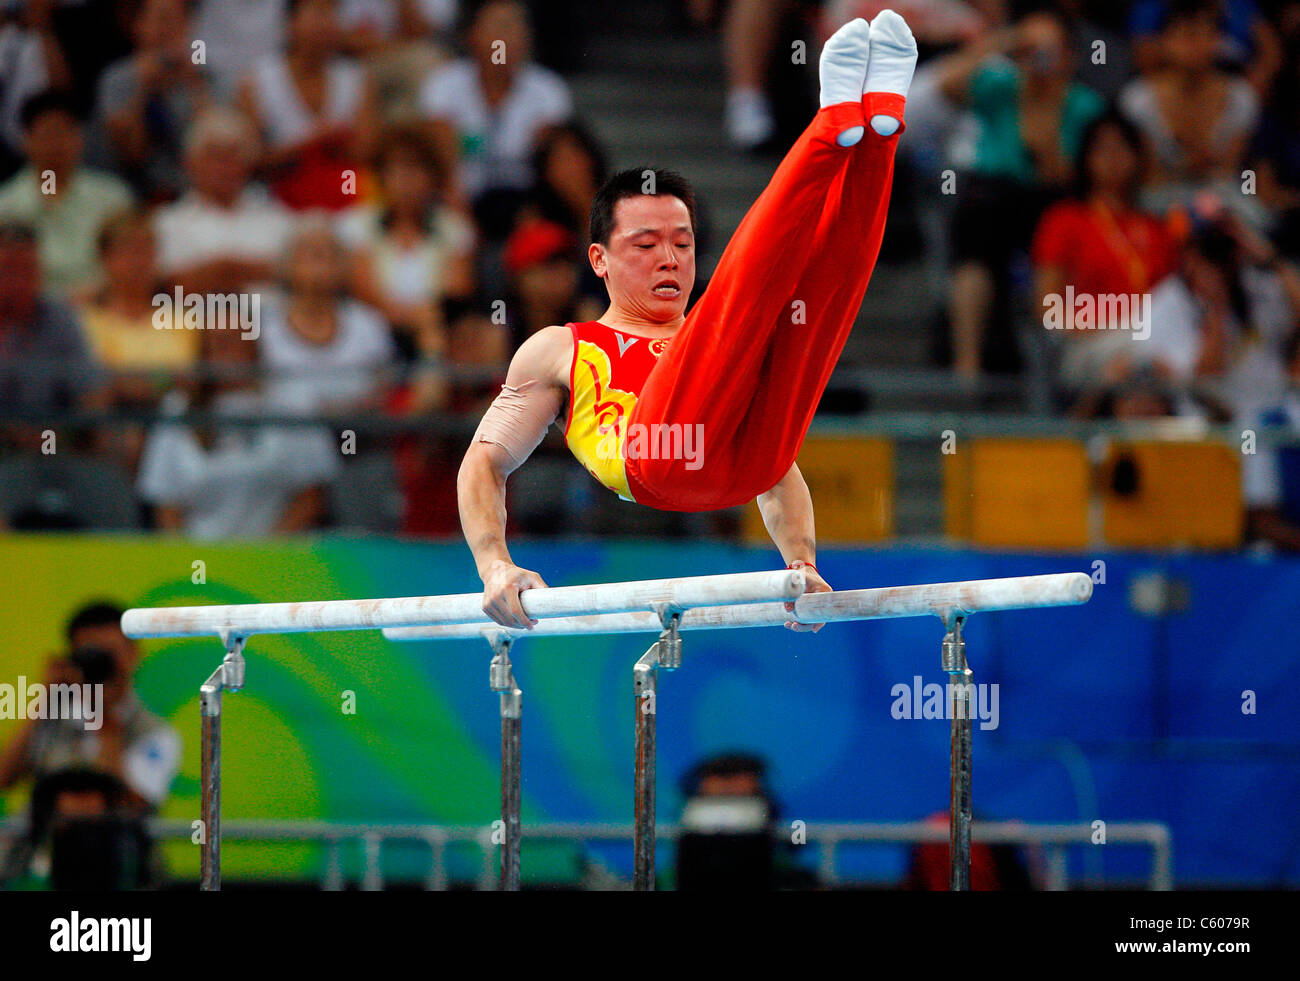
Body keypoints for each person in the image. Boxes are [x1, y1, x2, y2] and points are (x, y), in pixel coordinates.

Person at [456, 12, 917, 629]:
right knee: (746, 299)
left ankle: (878, 129)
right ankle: (829, 129)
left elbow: (777, 473)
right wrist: (495, 565)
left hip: (747, 460)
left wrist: (799, 564)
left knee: (823, 302)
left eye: (682, 242)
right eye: (645, 244)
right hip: (656, 457)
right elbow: (484, 461)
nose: (669, 258)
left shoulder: (719, 333)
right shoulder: (561, 348)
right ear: (598, 258)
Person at [0, 90, 134, 297]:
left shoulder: (112, 196)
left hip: (102, 305)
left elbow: (130, 259)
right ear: (26, 140)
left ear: (79, 138)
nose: (56, 144)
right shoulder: (6, 204)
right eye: (48, 134)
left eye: (64, 133)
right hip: (29, 311)